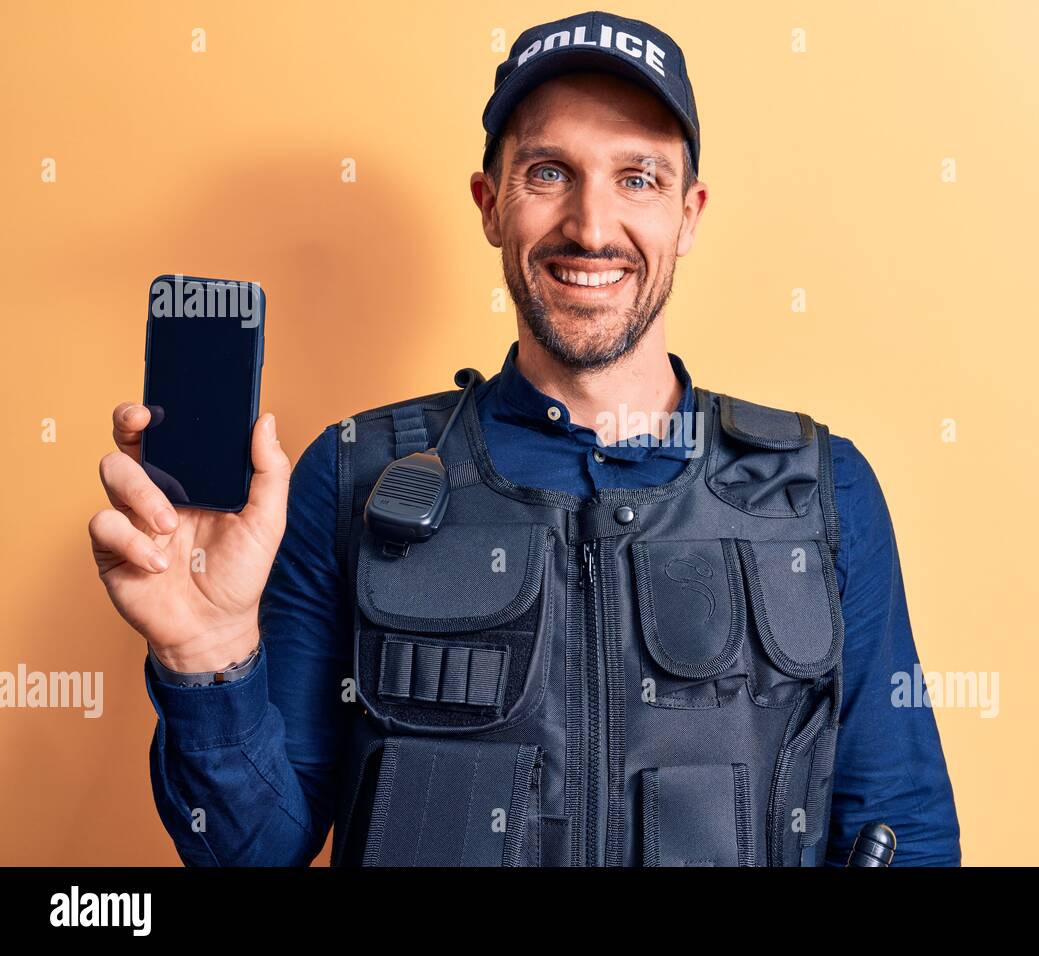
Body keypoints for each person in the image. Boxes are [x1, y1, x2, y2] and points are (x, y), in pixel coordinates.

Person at [89, 10, 960, 867]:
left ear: (689, 214)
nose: (590, 226)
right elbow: (254, 850)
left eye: (639, 179)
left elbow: (905, 829)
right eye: (550, 172)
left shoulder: (823, 489)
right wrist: (205, 652)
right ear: (490, 204)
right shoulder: (350, 476)